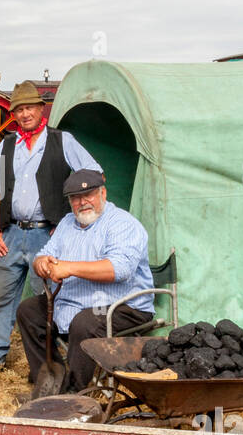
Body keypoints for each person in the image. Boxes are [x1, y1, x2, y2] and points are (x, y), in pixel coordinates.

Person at [0, 81, 102, 378]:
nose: (24, 113)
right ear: (13, 113)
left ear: (41, 109)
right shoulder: (6, 144)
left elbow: (92, 175)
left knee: (51, 300)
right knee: (1, 296)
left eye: (30, 107)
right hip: (10, 233)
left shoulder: (62, 140)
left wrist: (68, 221)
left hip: (48, 235)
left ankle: (51, 359)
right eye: (18, 109)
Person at [15, 168, 154, 392]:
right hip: (72, 300)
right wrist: (40, 262)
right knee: (28, 311)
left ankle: (75, 390)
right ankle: (51, 381)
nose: (82, 202)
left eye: (88, 195)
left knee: (85, 322)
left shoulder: (122, 224)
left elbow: (119, 269)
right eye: (75, 198)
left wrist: (69, 268)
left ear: (103, 194)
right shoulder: (67, 223)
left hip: (122, 305)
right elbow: (45, 253)